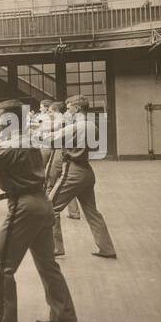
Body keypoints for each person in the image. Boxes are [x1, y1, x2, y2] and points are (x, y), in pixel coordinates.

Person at [0, 100, 78, 322]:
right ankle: (64, 314)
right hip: (42, 204)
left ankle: (3, 316)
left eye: (0, 117)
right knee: (48, 264)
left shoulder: (11, 144)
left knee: (0, 262)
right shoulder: (27, 138)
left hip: (23, 206)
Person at [42, 95, 117, 259]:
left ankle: (56, 247)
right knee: (92, 211)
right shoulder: (92, 126)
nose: (67, 112)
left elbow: (49, 139)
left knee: (50, 207)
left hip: (73, 170)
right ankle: (107, 248)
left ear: (76, 109)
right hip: (87, 171)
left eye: (69, 109)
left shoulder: (75, 127)